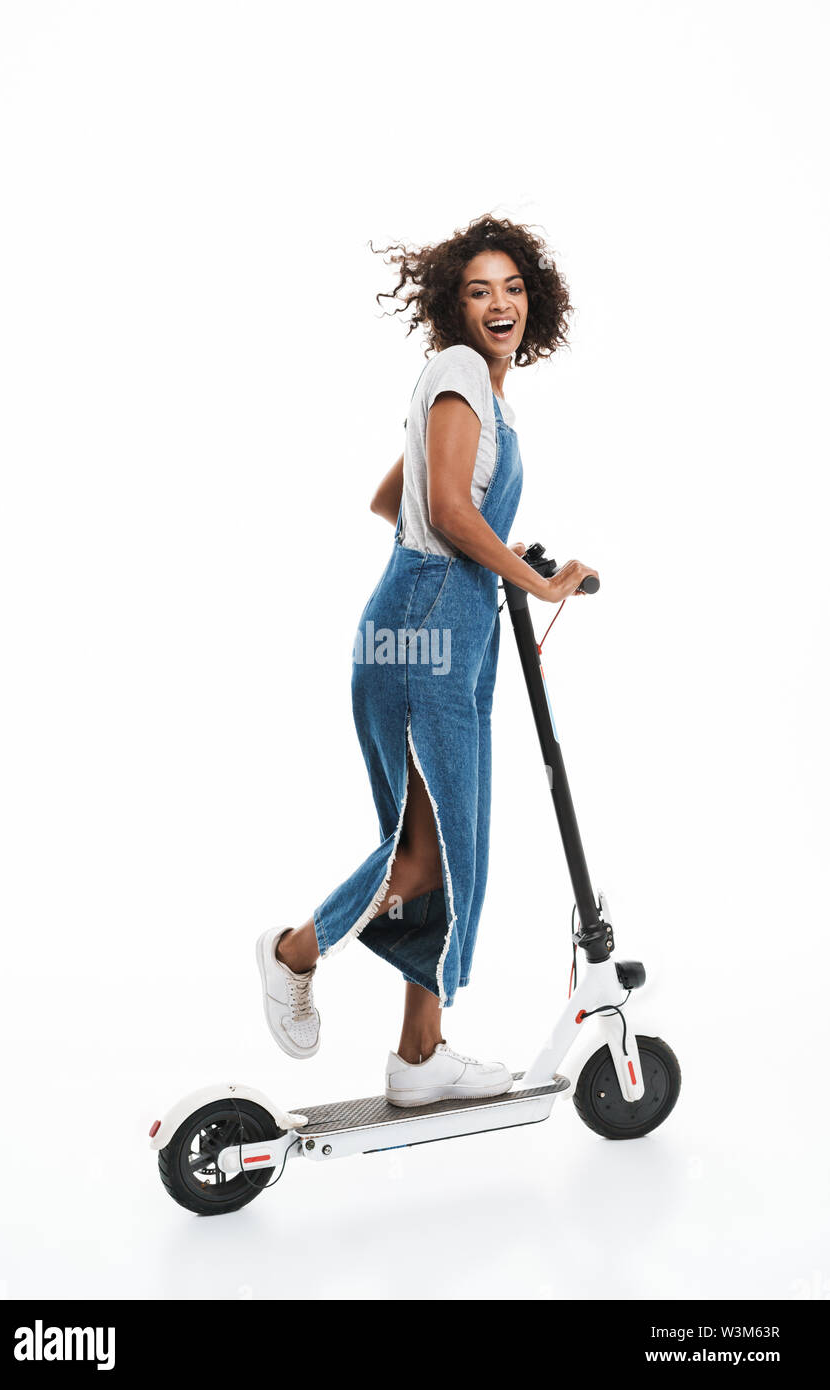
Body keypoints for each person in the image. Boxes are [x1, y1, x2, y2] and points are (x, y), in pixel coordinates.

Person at [256, 213, 597, 1107]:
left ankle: (420, 1057)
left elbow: (394, 499)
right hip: (426, 630)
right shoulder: (455, 374)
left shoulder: (486, 398)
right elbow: (444, 512)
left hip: (443, 627)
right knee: (428, 852)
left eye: (514, 288)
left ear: (536, 302)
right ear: (454, 301)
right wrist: (533, 576)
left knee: (445, 847)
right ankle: (293, 951)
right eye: (481, 289)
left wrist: (496, 557)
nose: (501, 303)